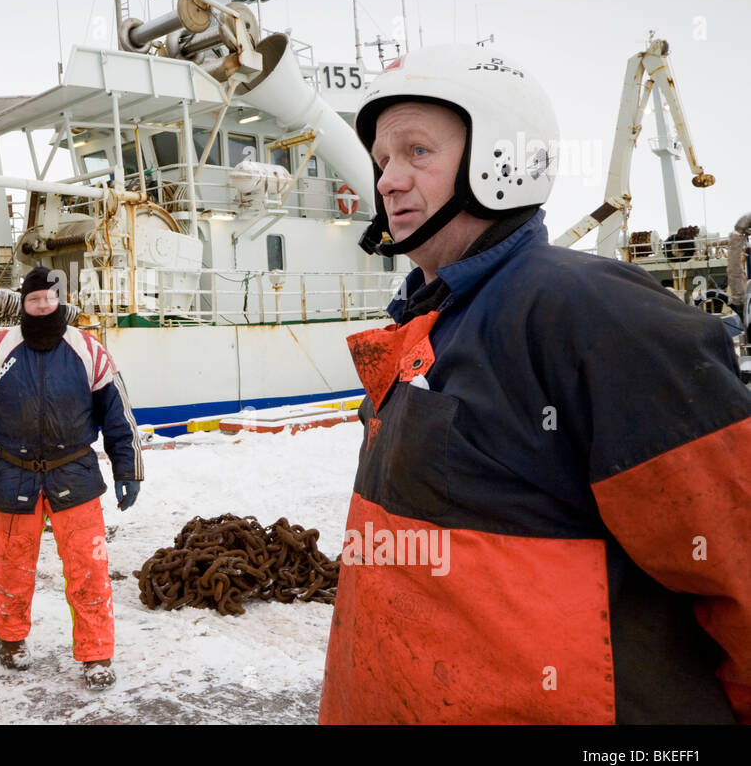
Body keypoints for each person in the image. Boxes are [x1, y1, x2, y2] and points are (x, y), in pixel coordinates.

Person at [318, 44, 751, 724]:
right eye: (381, 161)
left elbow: (736, 571)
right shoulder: (429, 326)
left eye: (417, 153)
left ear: (503, 160)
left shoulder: (592, 315)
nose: (388, 182)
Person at [0, 266, 144, 690]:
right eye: (34, 299)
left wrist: (128, 469)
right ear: (24, 303)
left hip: (74, 471)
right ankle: (12, 640)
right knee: (11, 566)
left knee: (88, 569)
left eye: (49, 299)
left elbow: (119, 418)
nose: (42, 305)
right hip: (14, 475)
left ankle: (96, 655)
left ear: (59, 301)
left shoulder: (88, 350)